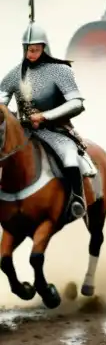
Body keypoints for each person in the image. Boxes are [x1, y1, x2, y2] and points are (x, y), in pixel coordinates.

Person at [0, 21, 88, 223]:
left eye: (35, 50)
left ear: (44, 48)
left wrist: (45, 116)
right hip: (23, 132)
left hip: (55, 130)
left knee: (69, 157)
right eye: (28, 50)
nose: (31, 54)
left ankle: (77, 199)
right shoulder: (15, 74)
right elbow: (1, 104)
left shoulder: (59, 70)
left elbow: (76, 103)